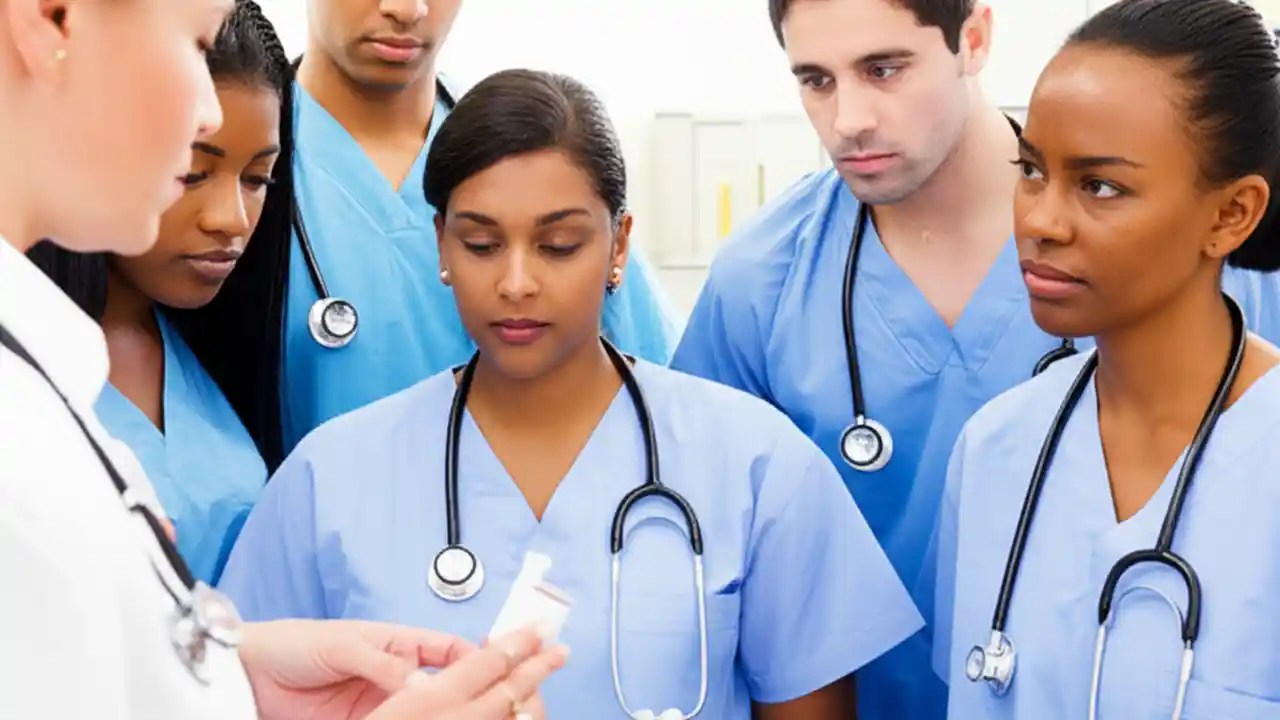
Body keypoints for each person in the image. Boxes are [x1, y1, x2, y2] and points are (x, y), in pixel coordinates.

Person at [218, 68, 923, 719]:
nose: (517, 283)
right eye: (481, 244)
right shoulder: (331, 477)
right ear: (440, 245)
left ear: (619, 247)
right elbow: (230, 691)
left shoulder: (756, 465)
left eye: (558, 245)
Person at [669, 1, 1280, 717]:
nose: (849, 120)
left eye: (884, 68)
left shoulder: (1232, 292)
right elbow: (697, 556)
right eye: (816, 80)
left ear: (975, 37)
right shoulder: (994, 446)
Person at [0, 0, 562, 716]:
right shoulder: (23, 420)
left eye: (258, 176)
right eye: (193, 42)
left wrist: (240, 669)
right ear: (49, 19)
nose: (206, 108)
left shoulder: (54, 364)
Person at [931, 0, 1280, 717]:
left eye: (1100, 186)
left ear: (1231, 215)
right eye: (1030, 169)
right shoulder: (997, 449)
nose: (1039, 221)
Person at [281, 0, 678, 453]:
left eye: (558, 245)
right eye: (481, 243)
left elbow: (671, 408)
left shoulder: (538, 153)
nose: (408, 10)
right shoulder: (240, 173)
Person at [26, 0, 288, 586]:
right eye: (194, 172)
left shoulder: (214, 358)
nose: (232, 219)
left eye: (257, 179)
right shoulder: (28, 352)